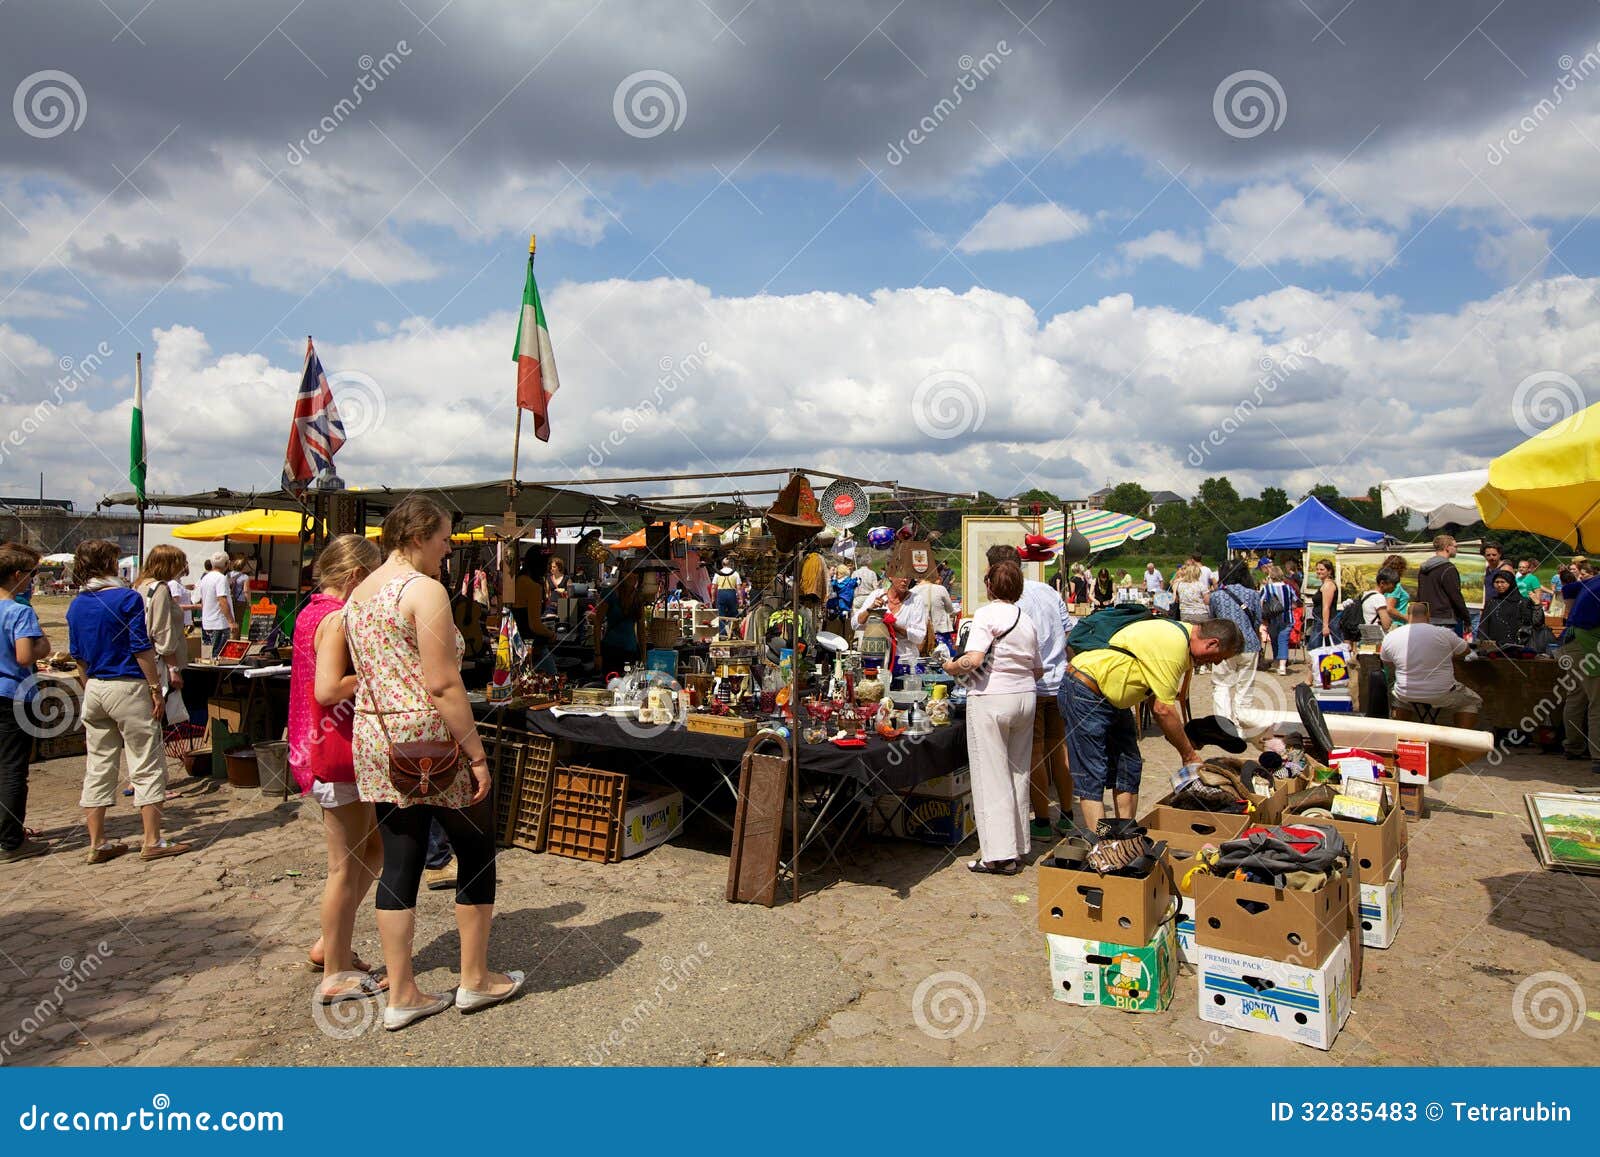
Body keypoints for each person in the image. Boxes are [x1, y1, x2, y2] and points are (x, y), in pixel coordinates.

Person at [345, 496, 523, 1032]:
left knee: (400, 858)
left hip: (375, 734)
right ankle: (475, 978)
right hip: (429, 738)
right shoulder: (425, 591)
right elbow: (443, 683)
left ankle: (402, 993)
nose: (448, 551)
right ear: (419, 535)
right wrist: (476, 753)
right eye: (445, 539)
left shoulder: (359, 592)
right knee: (475, 848)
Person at [286, 534, 388, 1003]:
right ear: (354, 576)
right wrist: (378, 673)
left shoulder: (310, 610)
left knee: (371, 851)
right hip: (337, 746)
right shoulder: (338, 616)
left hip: (325, 743)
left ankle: (333, 943)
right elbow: (328, 690)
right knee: (344, 867)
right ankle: (336, 973)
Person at [67, 539, 191, 864]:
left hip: (95, 686)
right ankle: (152, 840)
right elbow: (141, 647)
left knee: (98, 764)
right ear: (109, 563)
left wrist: (88, 686)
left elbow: (77, 654)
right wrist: (154, 687)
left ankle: (98, 842)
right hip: (128, 684)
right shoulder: (125, 598)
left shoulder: (77, 603)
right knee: (147, 761)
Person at [1062, 617, 1243, 830]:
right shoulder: (1175, 645)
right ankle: (1101, 847)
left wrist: (1183, 739)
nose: (1216, 663)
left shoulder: (1182, 638)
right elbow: (1163, 710)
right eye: (1219, 657)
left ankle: (1125, 835)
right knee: (1093, 773)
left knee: (1128, 767)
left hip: (1112, 697)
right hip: (1085, 690)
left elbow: (1156, 696)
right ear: (1212, 643)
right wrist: (1189, 756)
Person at [942, 560, 1041, 875]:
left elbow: (974, 659)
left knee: (990, 776)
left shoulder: (985, 615)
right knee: (1017, 773)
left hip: (991, 697)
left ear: (989, 585)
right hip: (1025, 697)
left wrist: (951, 666)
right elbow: (1037, 668)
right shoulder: (1026, 619)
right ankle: (1018, 844)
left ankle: (998, 855)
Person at [988, 546, 1073, 842]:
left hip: (1031, 685)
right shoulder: (1049, 592)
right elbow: (1068, 633)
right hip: (1060, 680)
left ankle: (1041, 819)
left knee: (1034, 754)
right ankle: (1068, 814)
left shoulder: (1010, 603)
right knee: (1059, 749)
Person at [0, 544, 50, 862]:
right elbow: (23, 656)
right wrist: (42, 646)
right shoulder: (20, 611)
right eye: (31, 575)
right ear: (18, 576)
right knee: (13, 769)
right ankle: (11, 840)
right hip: (14, 695)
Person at [1380, 600, 1481, 728]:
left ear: (1408, 615)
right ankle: (1461, 742)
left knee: (1400, 700)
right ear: (1428, 616)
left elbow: (1387, 661)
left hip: (1405, 692)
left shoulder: (1391, 636)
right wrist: (1449, 655)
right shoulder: (1443, 633)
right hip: (1441, 693)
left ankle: (1400, 737)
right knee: (1472, 701)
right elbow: (1465, 650)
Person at [1208, 561, 1270, 726]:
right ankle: (1242, 721)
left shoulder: (1216, 596)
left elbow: (1212, 621)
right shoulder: (1253, 594)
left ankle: (1225, 724)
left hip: (1224, 645)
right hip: (1249, 644)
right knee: (1245, 687)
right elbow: (1257, 621)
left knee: (1221, 685)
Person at [135, 545, 190, 714]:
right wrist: (173, 669)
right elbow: (162, 631)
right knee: (158, 716)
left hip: (144, 659)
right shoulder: (159, 589)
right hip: (159, 664)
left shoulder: (138, 585)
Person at [1558, 559, 1600, 772]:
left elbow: (1569, 588)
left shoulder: (1591, 582)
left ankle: (1573, 747)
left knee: (1576, 696)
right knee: (1598, 702)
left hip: (1570, 644)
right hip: (1586, 646)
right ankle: (1598, 758)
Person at [852, 573, 927, 662]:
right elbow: (855, 624)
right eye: (901, 576)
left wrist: (895, 627)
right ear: (890, 576)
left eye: (908, 577)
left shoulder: (916, 599)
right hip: (877, 658)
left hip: (904, 660)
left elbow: (919, 636)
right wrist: (870, 609)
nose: (905, 580)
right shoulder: (877, 594)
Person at [593, 569, 647, 676]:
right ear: (622, 573)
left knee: (628, 688)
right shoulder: (610, 593)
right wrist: (598, 654)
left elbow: (641, 630)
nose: (632, 575)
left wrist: (644, 657)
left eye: (635, 572)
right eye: (628, 571)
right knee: (611, 686)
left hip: (630, 652)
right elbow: (597, 623)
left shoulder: (638, 597)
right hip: (611, 650)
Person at [1417, 535, 1471, 637]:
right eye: (1455, 546)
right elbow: (1455, 596)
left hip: (1426, 618)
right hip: (1444, 619)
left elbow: (1419, 594)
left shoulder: (1423, 569)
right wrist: (1467, 619)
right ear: (1447, 547)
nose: (1456, 549)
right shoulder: (1448, 568)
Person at [1478, 569, 1542, 650]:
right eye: (1497, 582)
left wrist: (1537, 605)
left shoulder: (1522, 602)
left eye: (1503, 582)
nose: (1499, 585)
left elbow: (1537, 623)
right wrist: (1483, 644)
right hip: (1494, 648)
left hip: (1518, 648)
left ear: (1511, 583)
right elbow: (1484, 625)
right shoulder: (1491, 602)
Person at [196, 552, 235, 656]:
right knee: (219, 654)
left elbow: (203, 599)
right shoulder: (221, 578)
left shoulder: (205, 578)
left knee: (214, 653)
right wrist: (231, 621)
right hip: (219, 622)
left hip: (208, 620)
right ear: (227, 564)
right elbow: (222, 600)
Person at [1262, 565, 1297, 676]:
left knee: (1275, 640)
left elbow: (1260, 601)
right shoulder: (1288, 588)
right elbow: (1295, 603)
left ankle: (1277, 661)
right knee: (1283, 641)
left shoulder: (1267, 588)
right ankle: (1282, 666)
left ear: (1271, 576)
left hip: (1272, 619)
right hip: (1287, 619)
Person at [917, 572, 957, 653]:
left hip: (921, 636)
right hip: (940, 634)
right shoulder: (941, 589)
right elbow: (950, 610)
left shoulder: (912, 591)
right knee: (944, 660)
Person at [1310, 558, 1339, 647]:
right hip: (1319, 620)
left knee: (1318, 649)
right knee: (1316, 649)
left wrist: (1325, 626)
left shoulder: (1328, 585)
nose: (1319, 572)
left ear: (1329, 571)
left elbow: (1326, 606)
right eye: (1317, 569)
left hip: (1326, 621)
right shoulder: (1324, 584)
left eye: (1322, 569)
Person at [712, 559, 742, 638]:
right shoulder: (735, 573)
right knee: (733, 614)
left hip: (721, 593)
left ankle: (723, 633)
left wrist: (713, 598)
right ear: (730, 564)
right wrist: (741, 599)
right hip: (731, 593)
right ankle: (732, 632)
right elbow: (739, 588)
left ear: (722, 564)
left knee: (721, 614)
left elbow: (713, 588)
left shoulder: (717, 573)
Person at [1382, 554, 1412, 628]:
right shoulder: (1395, 586)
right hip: (1396, 624)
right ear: (1401, 568)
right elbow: (1390, 608)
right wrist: (1406, 618)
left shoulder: (1385, 584)